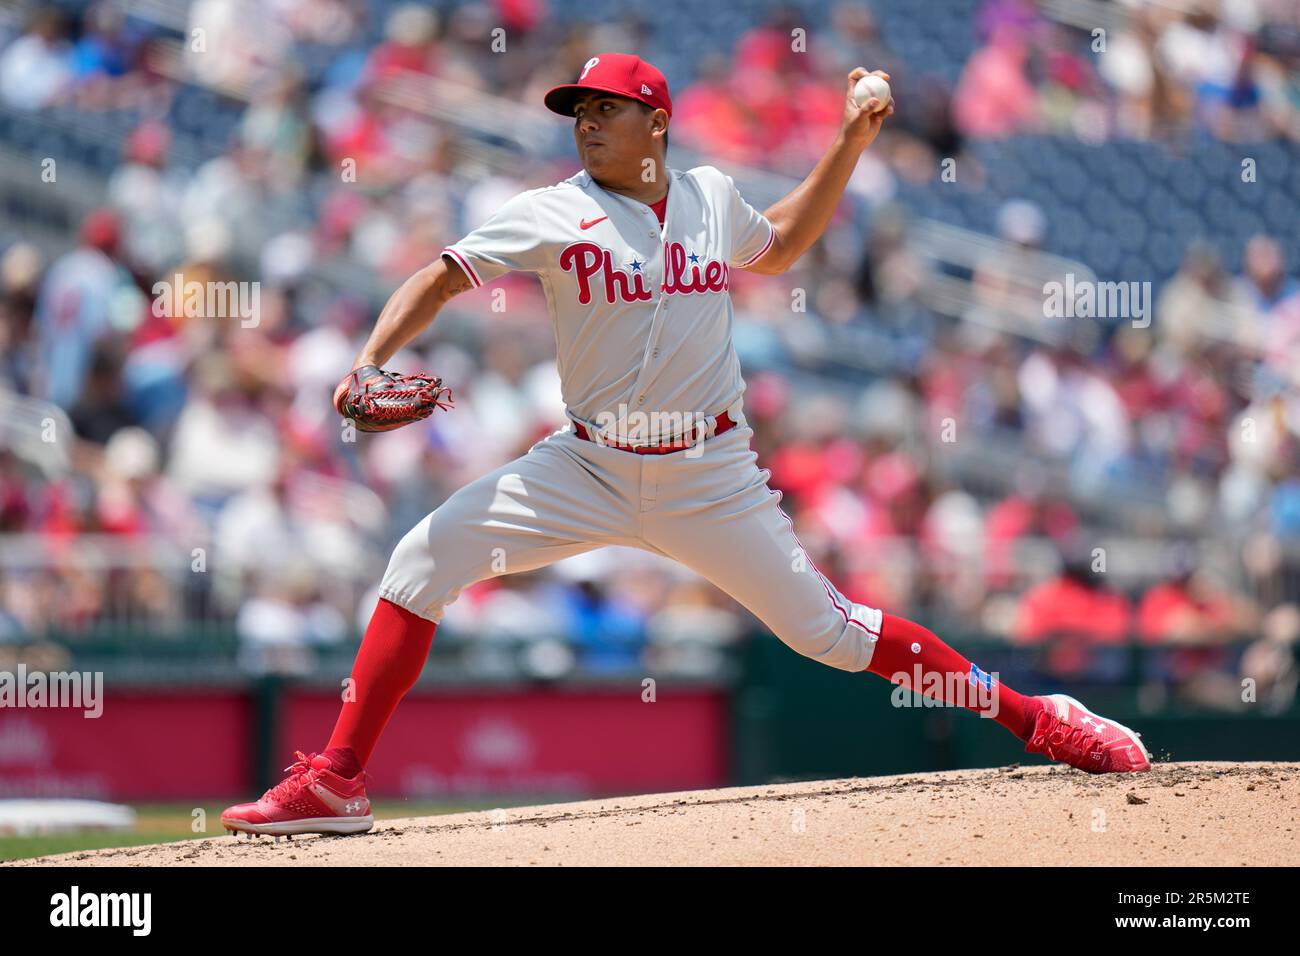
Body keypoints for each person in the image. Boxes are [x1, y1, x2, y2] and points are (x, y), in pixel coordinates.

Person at [222, 53, 1150, 837]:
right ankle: (340, 780)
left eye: (605, 109)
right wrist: (371, 357)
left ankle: (1042, 719)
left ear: (655, 122)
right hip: (584, 464)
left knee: (830, 635)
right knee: (419, 560)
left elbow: (778, 247)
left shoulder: (710, 198)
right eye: (578, 110)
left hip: (710, 476)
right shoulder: (550, 210)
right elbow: (437, 276)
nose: (585, 124)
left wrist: (848, 144)